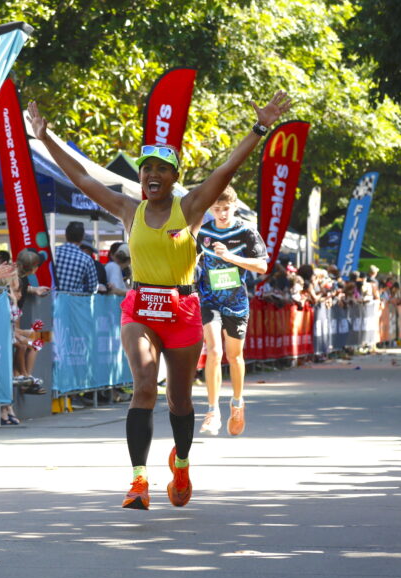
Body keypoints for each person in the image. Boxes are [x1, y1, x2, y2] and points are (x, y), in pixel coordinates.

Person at [28, 90, 291, 510]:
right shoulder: (127, 208)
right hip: (140, 307)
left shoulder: (189, 208)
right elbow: (82, 177)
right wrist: (45, 138)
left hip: (183, 308)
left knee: (181, 400)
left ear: (172, 176)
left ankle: (182, 465)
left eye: (160, 169)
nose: (151, 174)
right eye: (146, 168)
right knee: (145, 386)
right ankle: (138, 481)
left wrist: (260, 128)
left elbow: (226, 169)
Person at [195, 185, 268, 437]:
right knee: (214, 351)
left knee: (234, 356)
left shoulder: (246, 231)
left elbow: (262, 266)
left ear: (234, 207)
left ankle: (237, 403)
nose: (222, 214)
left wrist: (231, 258)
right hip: (209, 299)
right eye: (216, 209)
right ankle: (212, 411)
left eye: (226, 209)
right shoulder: (203, 231)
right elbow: (187, 261)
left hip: (236, 302)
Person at [53, 221, 98, 293]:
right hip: (73, 301)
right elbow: (93, 288)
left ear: (65, 234)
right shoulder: (87, 259)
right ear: (82, 237)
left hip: (52, 298)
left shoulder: (53, 252)